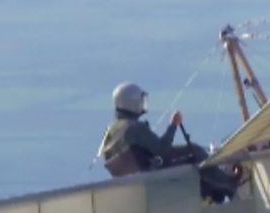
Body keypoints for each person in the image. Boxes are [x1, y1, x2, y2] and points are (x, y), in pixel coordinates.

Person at [100, 82, 240, 202]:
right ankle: (230, 183)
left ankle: (214, 193)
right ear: (132, 103)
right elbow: (162, 149)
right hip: (153, 175)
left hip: (136, 181)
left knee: (191, 159)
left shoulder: (109, 131)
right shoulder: (134, 127)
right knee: (196, 152)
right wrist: (173, 124)